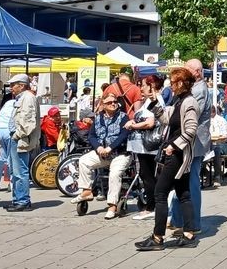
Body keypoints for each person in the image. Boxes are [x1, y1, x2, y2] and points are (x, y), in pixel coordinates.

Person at [135, 67, 199, 252]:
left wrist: (174, 146)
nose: (170, 85)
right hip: (177, 154)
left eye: (173, 82)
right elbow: (165, 119)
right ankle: (189, 234)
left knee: (160, 193)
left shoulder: (189, 102)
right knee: (183, 194)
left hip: (177, 155)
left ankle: (158, 238)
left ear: (182, 83)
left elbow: (191, 130)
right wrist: (155, 101)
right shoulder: (180, 101)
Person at [169, 59, 210, 238]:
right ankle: (179, 219)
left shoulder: (198, 90)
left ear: (197, 72)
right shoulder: (196, 88)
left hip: (195, 144)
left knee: (191, 183)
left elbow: (190, 116)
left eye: (186, 69)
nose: (183, 72)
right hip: (190, 142)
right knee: (182, 180)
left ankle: (193, 224)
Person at [74, 95, 131, 220]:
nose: (113, 104)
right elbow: (92, 136)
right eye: (109, 102)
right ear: (103, 105)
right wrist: (99, 147)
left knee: (114, 174)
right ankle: (87, 191)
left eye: (115, 101)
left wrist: (110, 147)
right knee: (83, 161)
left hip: (120, 153)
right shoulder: (98, 118)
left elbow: (124, 135)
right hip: (102, 153)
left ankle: (112, 205)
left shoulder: (123, 117)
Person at [126, 78, 161, 220]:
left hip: (149, 146)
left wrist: (133, 125)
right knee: (145, 174)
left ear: (151, 86)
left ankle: (152, 206)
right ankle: (151, 204)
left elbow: (150, 123)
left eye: (144, 85)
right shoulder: (147, 101)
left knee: (148, 175)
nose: (141, 88)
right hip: (141, 146)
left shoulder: (156, 100)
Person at [6, 74, 40, 212]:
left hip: (21, 139)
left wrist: (17, 135)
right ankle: (17, 199)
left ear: (21, 85)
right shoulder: (22, 98)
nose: (11, 88)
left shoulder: (28, 98)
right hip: (17, 138)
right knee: (15, 170)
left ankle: (23, 201)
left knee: (20, 171)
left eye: (13, 85)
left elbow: (28, 121)